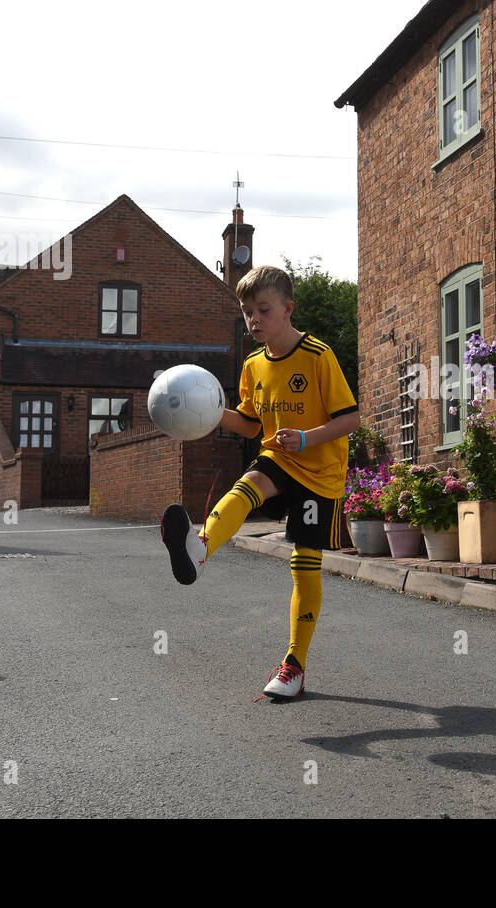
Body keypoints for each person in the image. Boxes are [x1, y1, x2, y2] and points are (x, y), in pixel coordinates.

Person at [161, 265, 359, 699]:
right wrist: (210, 411)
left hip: (321, 475)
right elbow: (251, 425)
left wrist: (307, 437)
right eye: (247, 311)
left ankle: (294, 665)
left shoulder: (318, 355)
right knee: (244, 489)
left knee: (304, 566)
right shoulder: (252, 364)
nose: (253, 319)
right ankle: (199, 551)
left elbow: (351, 418)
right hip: (278, 458)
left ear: (287, 309)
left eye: (262, 310)